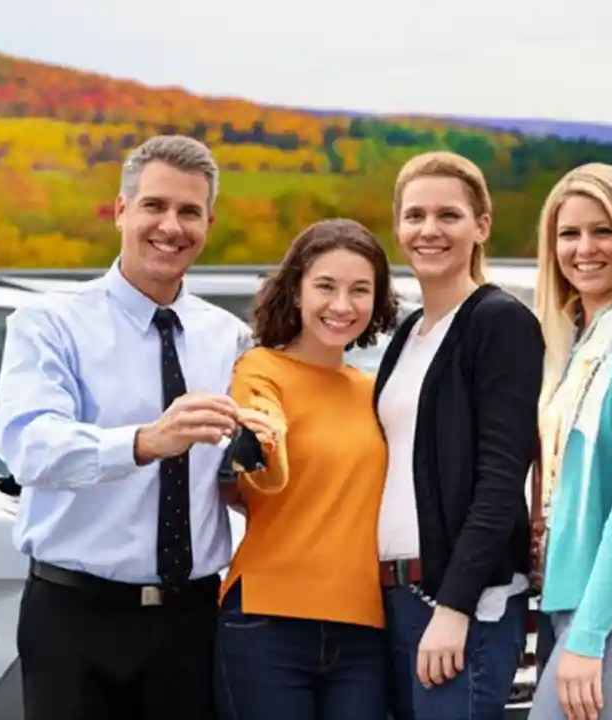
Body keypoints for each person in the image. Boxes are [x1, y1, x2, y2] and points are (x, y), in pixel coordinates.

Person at [0, 134, 261, 720]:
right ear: (121, 211)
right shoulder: (49, 324)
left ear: (208, 223)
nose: (171, 226)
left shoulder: (229, 338)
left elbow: (238, 476)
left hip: (192, 621)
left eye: (189, 212)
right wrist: (146, 442)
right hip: (75, 617)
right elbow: (31, 447)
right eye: (154, 206)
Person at [374, 151, 543, 720]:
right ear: (398, 227)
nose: (429, 230)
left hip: (460, 605)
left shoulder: (499, 322)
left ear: (481, 226)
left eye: (448, 215)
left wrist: (455, 607)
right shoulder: (407, 336)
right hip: (395, 598)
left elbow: (500, 481)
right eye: (415, 216)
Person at [214, 218, 400, 720]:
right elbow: (262, 437)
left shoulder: (377, 392)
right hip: (268, 621)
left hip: (365, 627)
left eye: (360, 290)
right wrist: (264, 442)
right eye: (325, 286)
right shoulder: (259, 370)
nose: (342, 305)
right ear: (295, 291)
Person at [529, 163, 612, 720]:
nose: (584, 249)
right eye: (569, 233)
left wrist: (590, 635)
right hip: (578, 606)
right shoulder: (579, 344)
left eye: (604, 230)